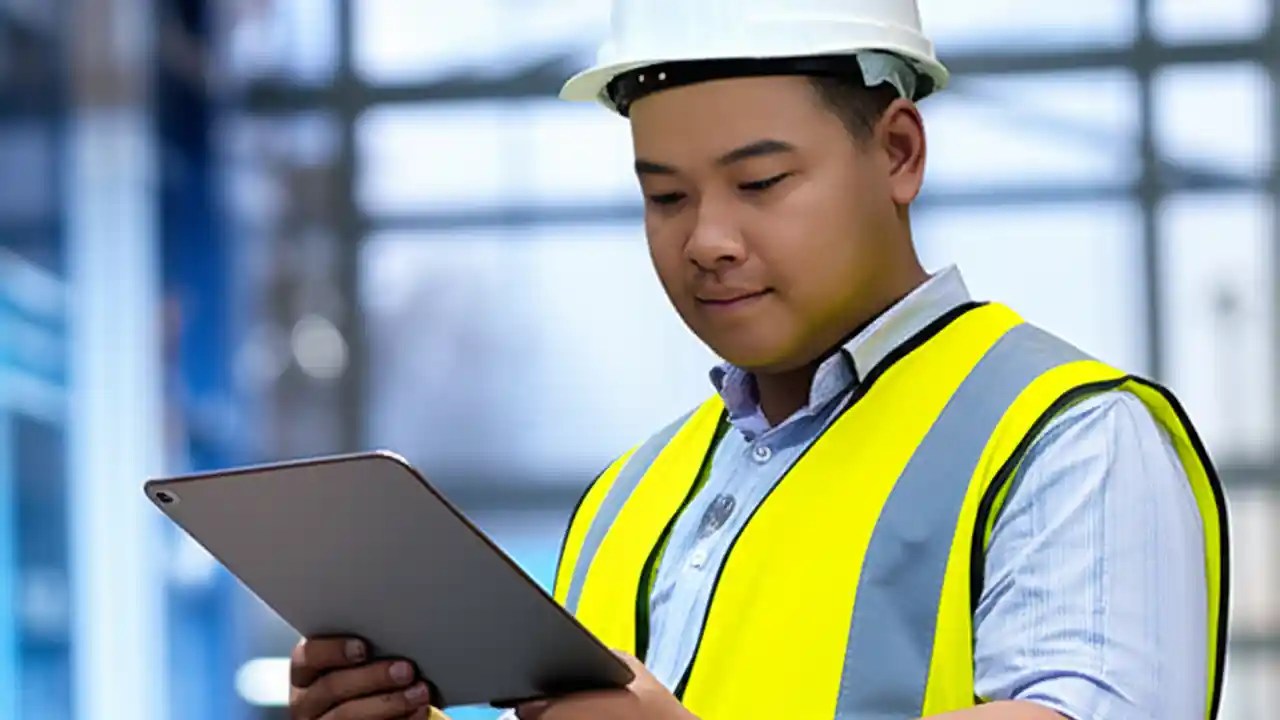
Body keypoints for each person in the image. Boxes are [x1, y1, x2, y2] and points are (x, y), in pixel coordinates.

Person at [287, 1, 1230, 719]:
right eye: (665, 197)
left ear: (899, 152)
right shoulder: (624, 502)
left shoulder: (1069, 442)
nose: (707, 240)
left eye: (761, 182)